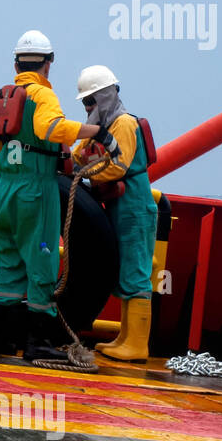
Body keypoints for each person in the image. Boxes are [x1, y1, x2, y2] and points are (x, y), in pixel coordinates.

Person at [0, 31, 117, 360]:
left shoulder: (4, 97)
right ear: (48, 64)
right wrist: (98, 132)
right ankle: (37, 343)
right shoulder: (42, 95)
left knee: (7, 264)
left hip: (3, 191)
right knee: (42, 262)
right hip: (34, 189)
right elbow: (51, 129)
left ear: (16, 64)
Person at [72, 65, 157, 361]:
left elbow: (118, 167)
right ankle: (124, 337)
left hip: (134, 206)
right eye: (85, 103)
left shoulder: (122, 124)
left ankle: (137, 345)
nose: (88, 107)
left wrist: (84, 170)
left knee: (136, 271)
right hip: (119, 206)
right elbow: (77, 153)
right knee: (124, 270)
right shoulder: (101, 126)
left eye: (91, 101)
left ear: (105, 96)